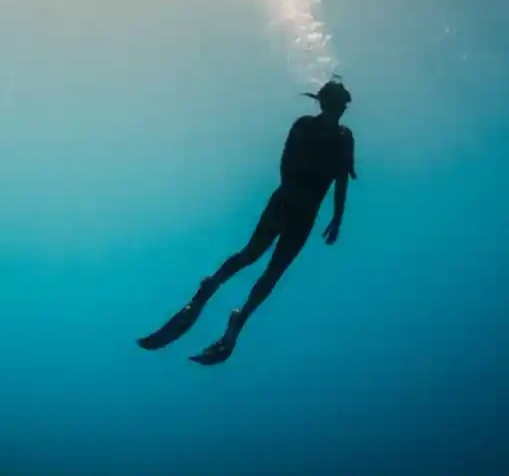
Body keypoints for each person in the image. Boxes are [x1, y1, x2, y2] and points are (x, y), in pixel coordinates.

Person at [137, 77, 357, 365]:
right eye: (336, 103)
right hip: (286, 202)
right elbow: (286, 160)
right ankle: (205, 294)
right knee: (250, 255)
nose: (339, 109)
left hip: (305, 213)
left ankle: (239, 319)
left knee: (273, 271)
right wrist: (293, 192)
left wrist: (338, 217)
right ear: (326, 102)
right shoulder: (305, 125)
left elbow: (342, 178)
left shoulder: (344, 137)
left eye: (342, 105)